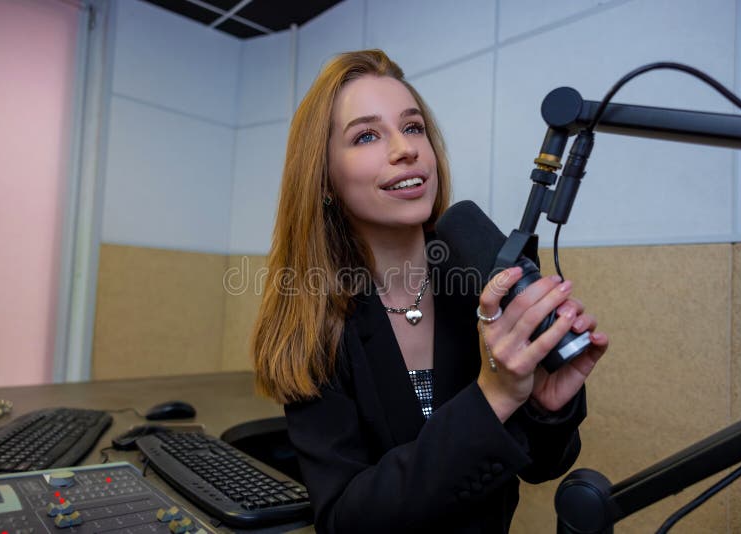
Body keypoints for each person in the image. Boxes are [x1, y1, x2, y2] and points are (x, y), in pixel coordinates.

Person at [252, 49, 608, 533]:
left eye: (413, 127)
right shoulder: (313, 318)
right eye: (367, 135)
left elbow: (544, 464)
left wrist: (548, 407)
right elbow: (343, 522)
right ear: (324, 180)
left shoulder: (491, 271)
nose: (405, 148)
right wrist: (493, 397)